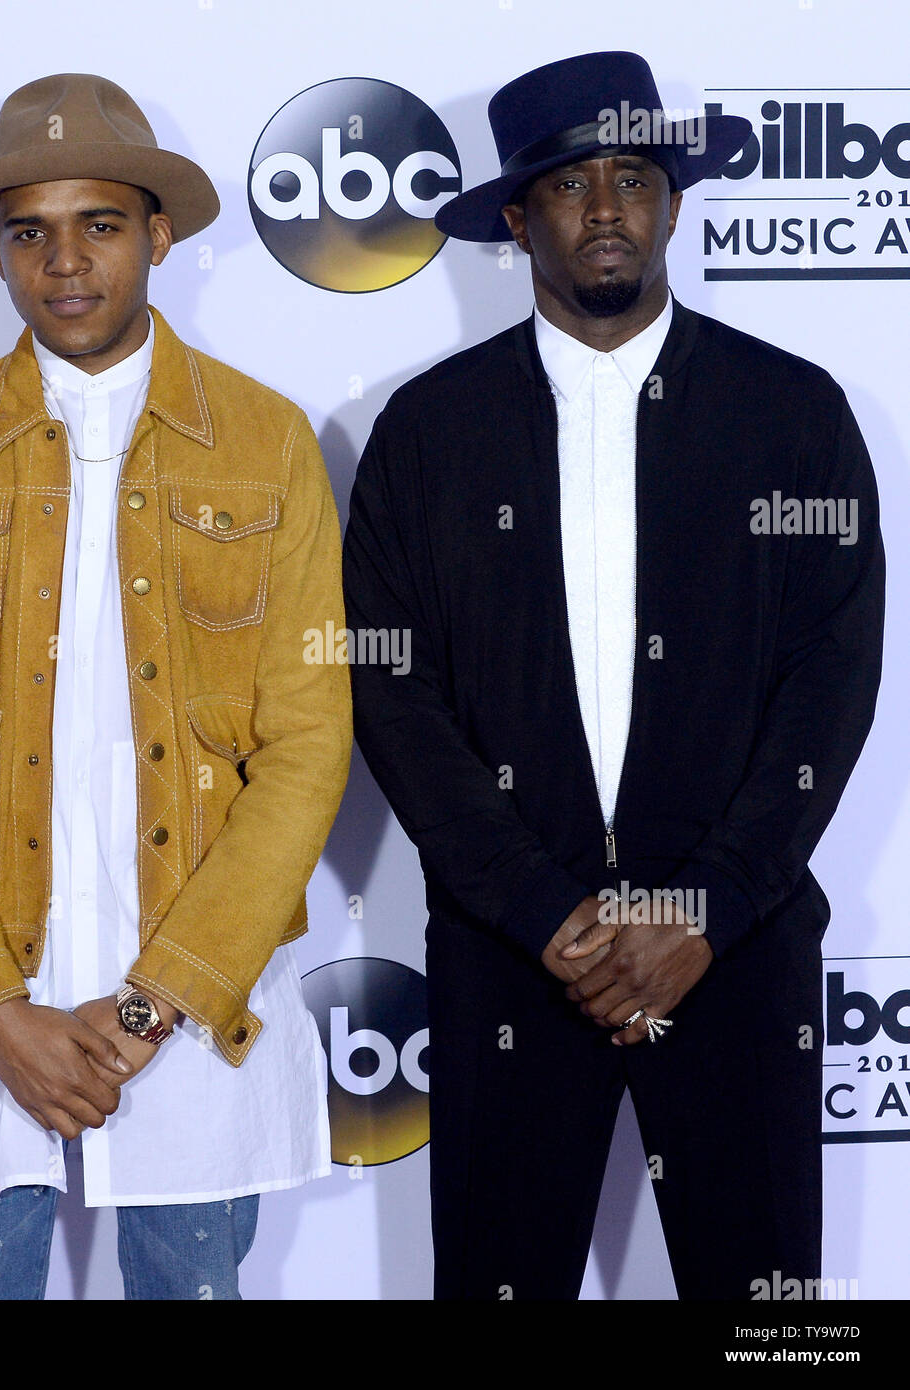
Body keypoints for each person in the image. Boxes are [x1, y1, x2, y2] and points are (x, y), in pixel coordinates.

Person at [342, 50, 884, 1300]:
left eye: (630, 178)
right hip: (508, 958)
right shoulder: (426, 432)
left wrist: (700, 910)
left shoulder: (790, 414)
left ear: (672, 203)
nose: (603, 208)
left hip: (733, 953)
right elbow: (391, 697)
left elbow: (830, 683)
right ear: (515, 218)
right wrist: (543, 912)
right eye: (569, 181)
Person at [0, 72, 351, 1301]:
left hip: (190, 1001)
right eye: (29, 231)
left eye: (101, 225)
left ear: (159, 235)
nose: (64, 262)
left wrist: (149, 1009)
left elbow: (306, 744)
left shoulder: (266, 438)